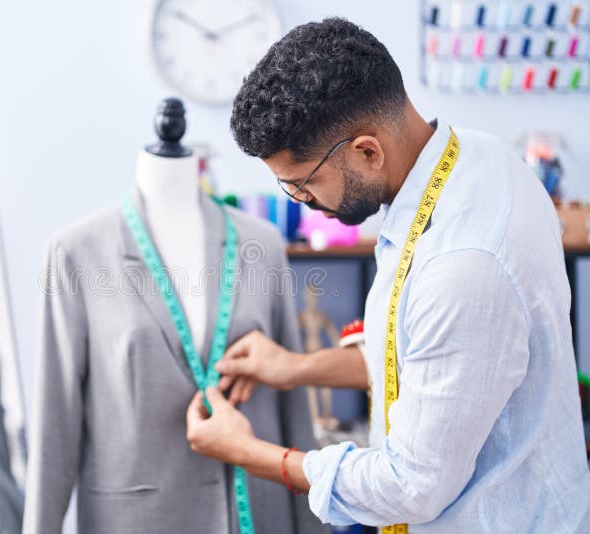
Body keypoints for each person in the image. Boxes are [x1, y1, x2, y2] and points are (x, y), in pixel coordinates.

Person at [185, 17, 590, 532]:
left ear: (367, 152)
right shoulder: (477, 159)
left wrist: (247, 453)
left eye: (301, 185)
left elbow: (408, 487)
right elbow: (428, 355)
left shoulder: (464, 267)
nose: (303, 203)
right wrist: (294, 366)